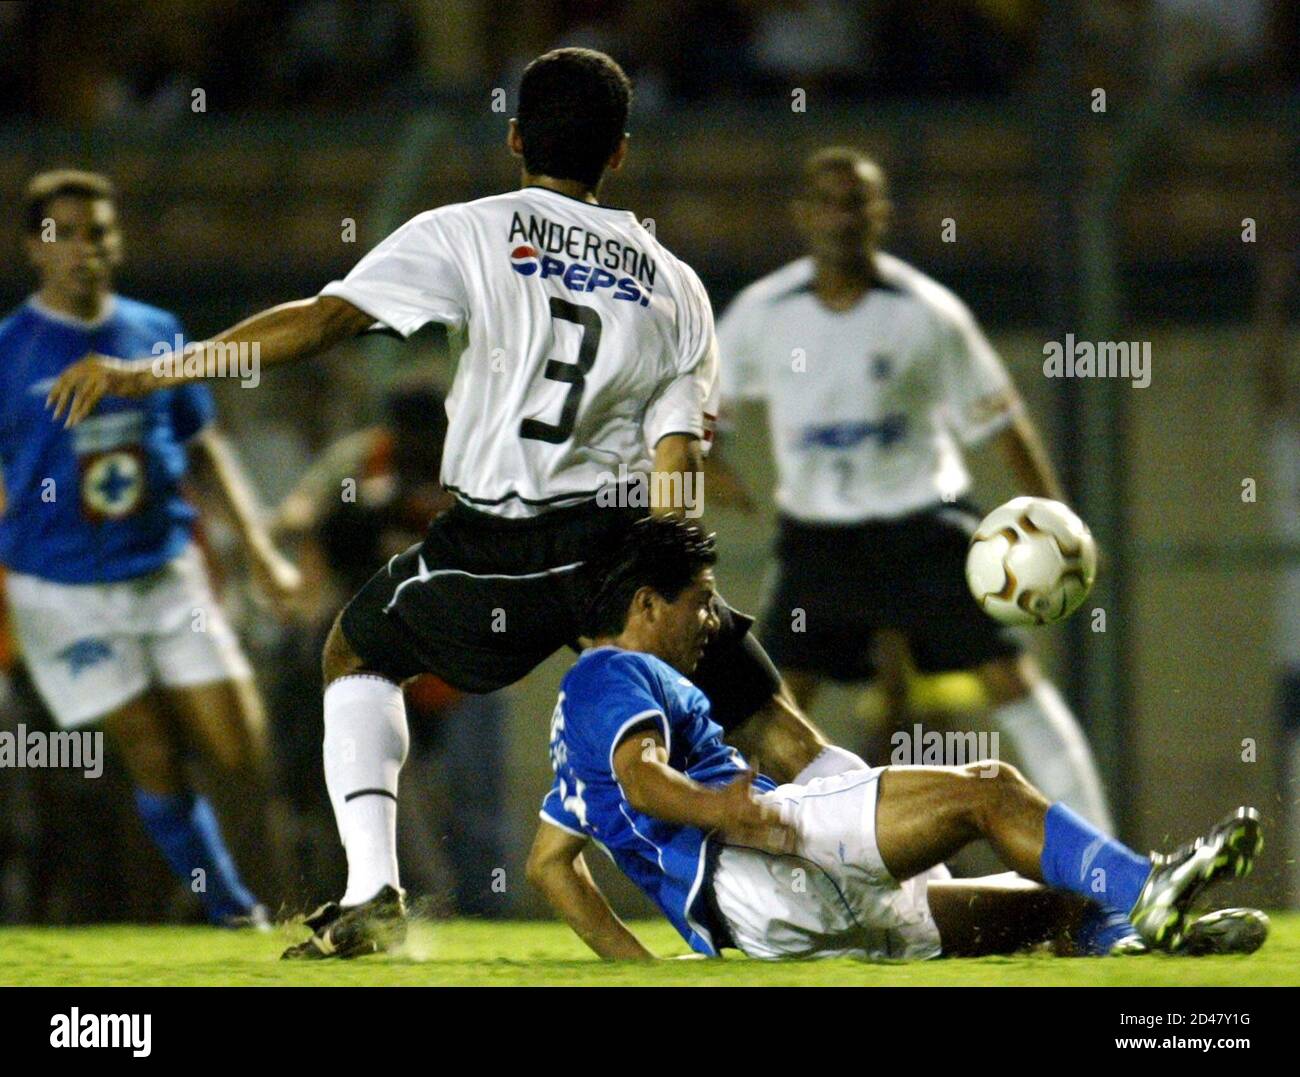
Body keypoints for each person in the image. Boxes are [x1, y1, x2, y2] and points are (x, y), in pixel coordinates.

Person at [47, 49, 858, 959]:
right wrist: (672, 598)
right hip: (625, 545)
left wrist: (154, 369)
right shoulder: (676, 285)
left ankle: (372, 894)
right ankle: (899, 873)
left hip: (499, 543)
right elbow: (674, 459)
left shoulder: (471, 230)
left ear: (514, 138)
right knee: (773, 723)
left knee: (357, 650)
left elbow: (324, 319)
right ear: (620, 154)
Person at [527, 516, 1268, 960]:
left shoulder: (574, 722)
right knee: (991, 791)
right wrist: (721, 810)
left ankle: (1147, 933)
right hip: (769, 855)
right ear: (647, 604)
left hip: (775, 919)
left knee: (1057, 902)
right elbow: (643, 776)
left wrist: (645, 968)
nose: (714, 622)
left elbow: (548, 866)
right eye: (701, 602)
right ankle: (1149, 887)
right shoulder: (614, 671)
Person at [709, 146, 1112, 827]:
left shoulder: (926, 311)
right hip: (818, 541)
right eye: (829, 202)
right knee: (775, 705)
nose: (844, 216)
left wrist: (1056, 523)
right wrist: (711, 463)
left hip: (922, 527)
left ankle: (1104, 861)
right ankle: (738, 867)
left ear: (881, 215)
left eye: (858, 201)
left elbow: (1006, 425)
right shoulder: (761, 312)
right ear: (804, 215)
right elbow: (702, 410)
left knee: (1010, 680)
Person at [0, 170, 296, 924]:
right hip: (61, 590)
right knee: (149, 745)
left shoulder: (157, 331)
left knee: (242, 748)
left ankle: (294, 903)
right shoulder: (9, 352)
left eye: (97, 231)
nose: (83, 248)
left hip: (166, 574)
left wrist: (259, 549)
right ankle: (232, 909)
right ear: (33, 247)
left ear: (117, 241)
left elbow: (205, 446)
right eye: (63, 233)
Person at [272, 382, 509, 917]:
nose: (424, 444)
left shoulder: (478, 466)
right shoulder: (361, 464)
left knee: (470, 794)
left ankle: (476, 904)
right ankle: (391, 895)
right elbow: (299, 518)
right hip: (376, 639)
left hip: (462, 642)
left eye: (434, 434)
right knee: (376, 778)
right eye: (413, 434)